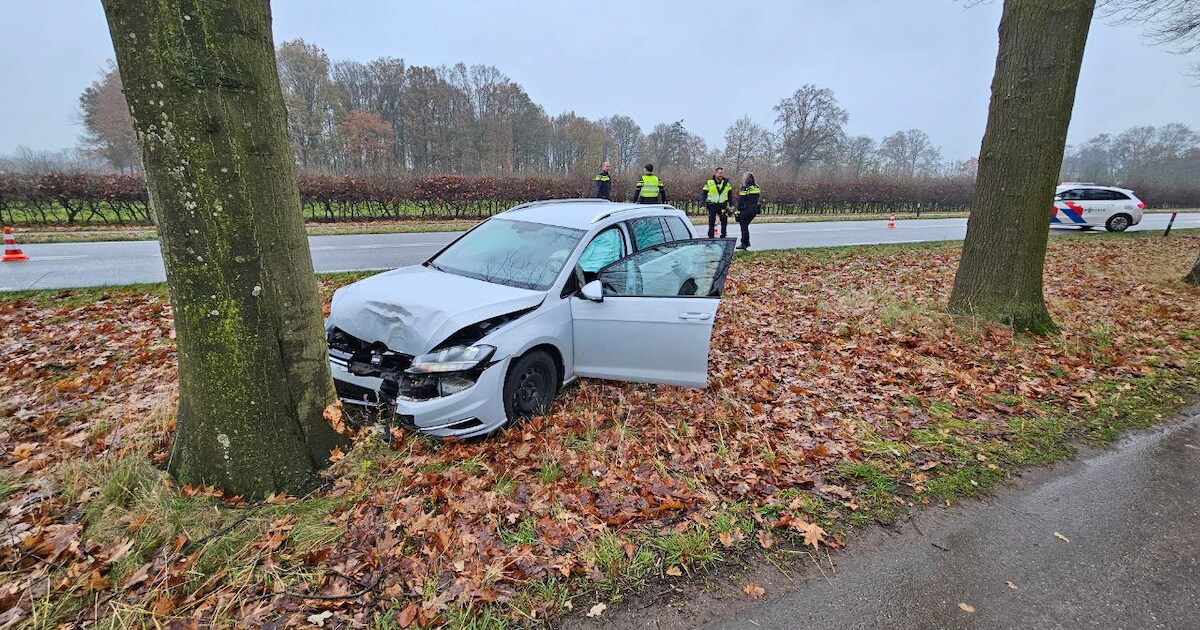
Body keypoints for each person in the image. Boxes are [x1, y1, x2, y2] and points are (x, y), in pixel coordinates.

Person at [701, 167, 733, 238]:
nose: (721, 175)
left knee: (724, 222)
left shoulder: (727, 183)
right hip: (712, 205)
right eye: (719, 173)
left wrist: (731, 205)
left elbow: (730, 195)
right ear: (716, 174)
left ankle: (723, 236)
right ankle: (711, 237)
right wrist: (702, 204)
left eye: (722, 173)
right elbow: (704, 194)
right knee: (711, 222)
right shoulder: (709, 182)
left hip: (722, 205)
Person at [735, 173, 762, 250]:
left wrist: (738, 209)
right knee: (745, 226)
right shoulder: (756, 187)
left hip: (746, 209)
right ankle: (746, 242)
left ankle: (744, 243)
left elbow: (741, 200)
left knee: (744, 227)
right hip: (754, 210)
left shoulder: (745, 188)